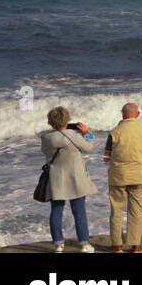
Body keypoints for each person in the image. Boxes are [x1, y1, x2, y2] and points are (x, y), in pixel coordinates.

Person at [40, 106, 98, 253]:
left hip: (56, 179)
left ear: (50, 121)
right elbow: (90, 147)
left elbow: (46, 152)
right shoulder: (72, 135)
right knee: (79, 211)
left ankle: (58, 244)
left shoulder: (46, 138)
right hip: (75, 178)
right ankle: (84, 244)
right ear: (67, 120)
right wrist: (86, 133)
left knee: (56, 211)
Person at [104, 103, 142, 253]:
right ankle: (135, 245)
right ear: (138, 114)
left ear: (122, 115)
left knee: (117, 210)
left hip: (118, 176)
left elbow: (106, 157)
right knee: (136, 210)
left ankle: (116, 245)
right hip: (139, 175)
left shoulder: (114, 132)